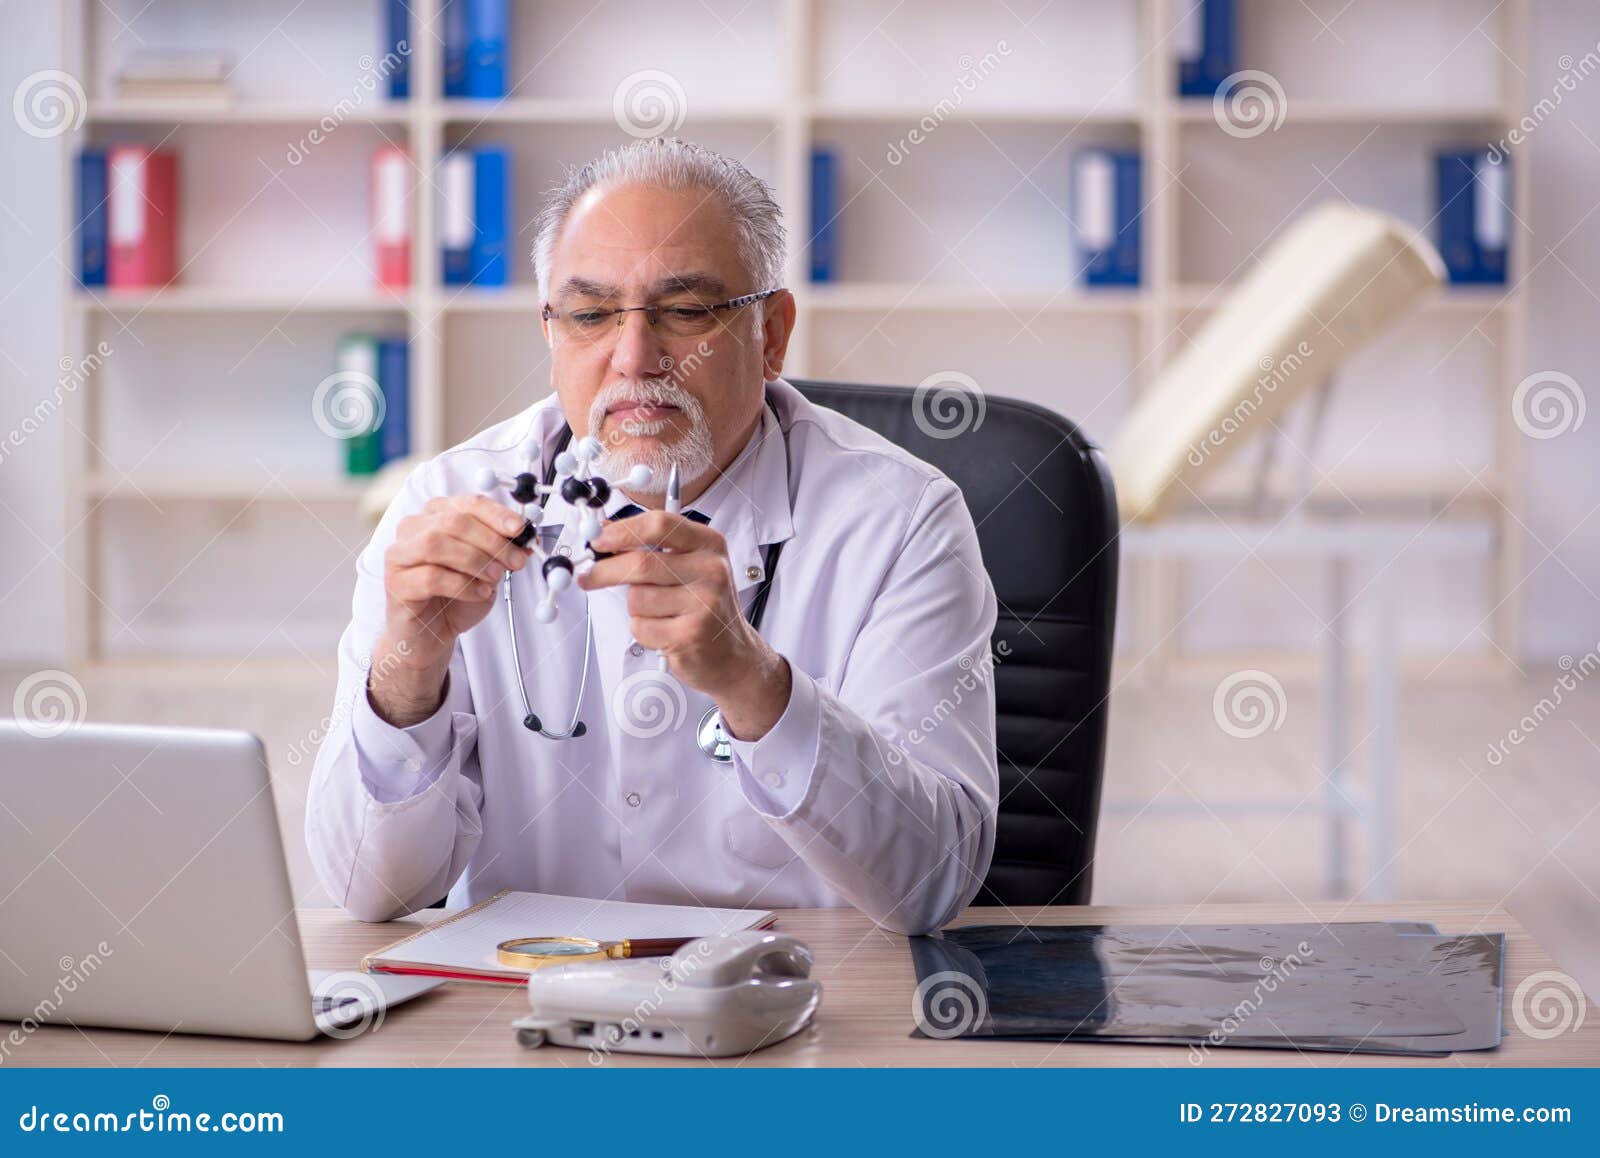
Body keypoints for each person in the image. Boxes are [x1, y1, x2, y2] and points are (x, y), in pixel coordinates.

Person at [306, 138, 998, 935]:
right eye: (592, 314)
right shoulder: (447, 505)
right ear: (552, 332)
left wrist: (754, 684)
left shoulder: (901, 521)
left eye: (686, 311)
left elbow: (933, 884)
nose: (634, 358)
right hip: (521, 1017)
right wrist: (407, 676)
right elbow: (368, 890)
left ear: (771, 333)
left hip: (803, 1016)